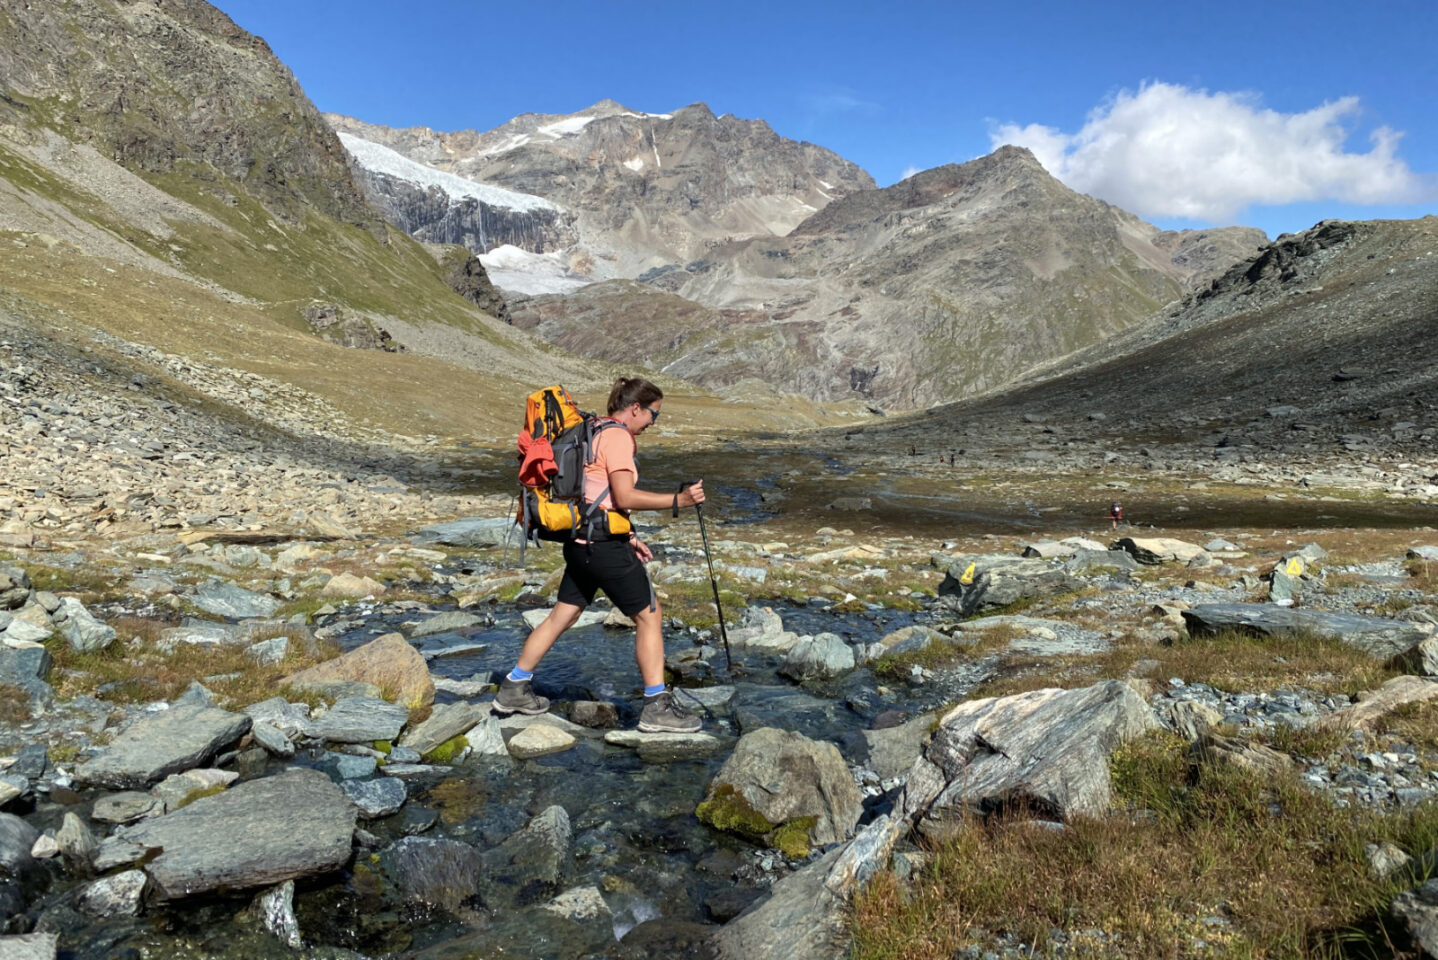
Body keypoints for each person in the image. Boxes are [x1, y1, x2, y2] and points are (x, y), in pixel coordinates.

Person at [494, 377, 706, 733]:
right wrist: (677, 501)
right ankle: (656, 707)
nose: (653, 423)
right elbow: (622, 496)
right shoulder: (619, 436)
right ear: (635, 408)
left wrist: (631, 534)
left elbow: (593, 493)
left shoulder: (589, 430)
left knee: (562, 616)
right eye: (653, 415)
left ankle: (513, 687)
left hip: (579, 543)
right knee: (650, 616)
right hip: (604, 546)